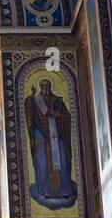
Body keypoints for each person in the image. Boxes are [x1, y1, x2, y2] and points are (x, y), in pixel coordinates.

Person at [25, 78, 75, 207]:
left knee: (62, 159)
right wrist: (31, 96)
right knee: (44, 162)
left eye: (47, 85)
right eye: (43, 86)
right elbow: (31, 114)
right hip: (43, 136)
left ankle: (64, 190)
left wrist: (60, 116)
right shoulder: (36, 101)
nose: (45, 88)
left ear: (50, 86)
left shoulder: (57, 100)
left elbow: (66, 115)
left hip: (57, 135)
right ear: (41, 87)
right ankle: (45, 190)